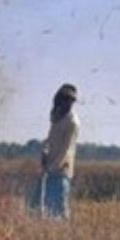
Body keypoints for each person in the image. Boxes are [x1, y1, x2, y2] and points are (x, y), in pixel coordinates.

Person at [38, 83, 80, 219]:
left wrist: (52, 168)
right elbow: (50, 138)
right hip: (49, 167)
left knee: (59, 208)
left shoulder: (72, 122)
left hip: (62, 170)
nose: (67, 103)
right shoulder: (56, 116)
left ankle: (62, 235)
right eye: (65, 99)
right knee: (47, 206)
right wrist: (44, 151)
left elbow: (66, 149)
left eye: (70, 100)